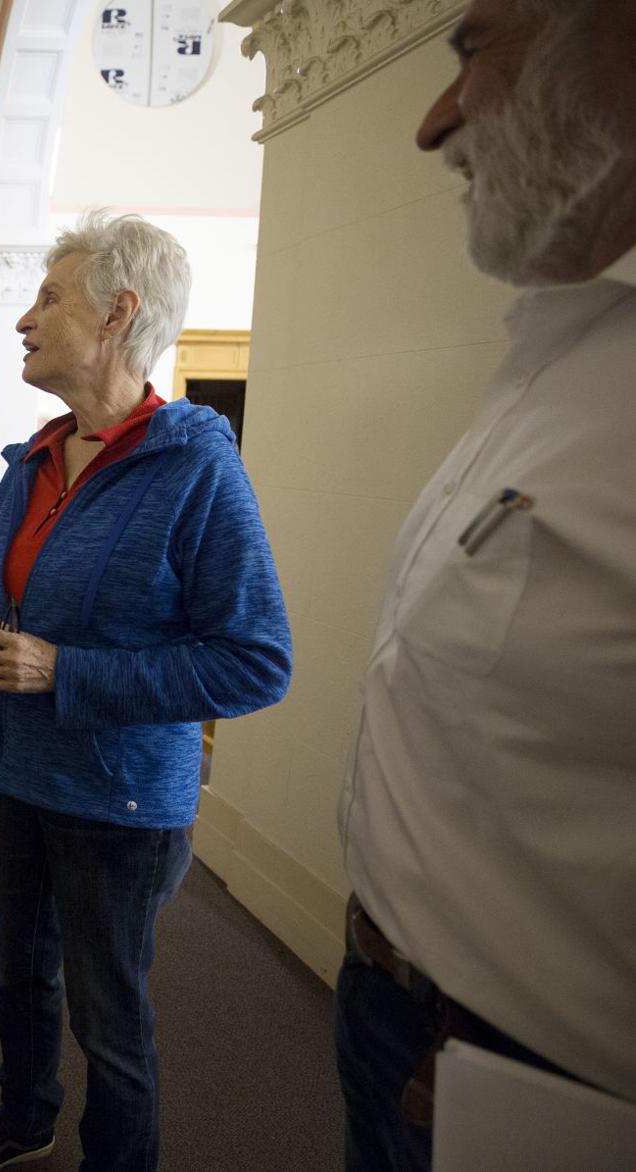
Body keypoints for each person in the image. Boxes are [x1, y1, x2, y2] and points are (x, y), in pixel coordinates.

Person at [336, 1, 636, 1167]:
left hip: (542, 1098)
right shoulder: (557, 352)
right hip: (396, 1019)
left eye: (473, 49)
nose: (432, 123)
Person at [0, 211, 291, 1172]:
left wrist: (66, 670)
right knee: (22, 977)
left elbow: (255, 661)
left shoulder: (197, 471)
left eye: (49, 297)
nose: (25, 317)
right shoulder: (37, 457)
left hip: (120, 802)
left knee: (110, 1018)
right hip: (17, 770)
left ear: (118, 314)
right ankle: (25, 1117)